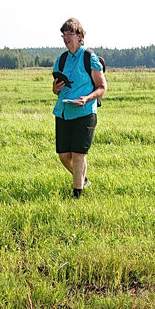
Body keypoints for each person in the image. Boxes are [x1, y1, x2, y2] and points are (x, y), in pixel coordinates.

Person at [51, 17, 106, 198]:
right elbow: (55, 89)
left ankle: (77, 193)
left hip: (84, 112)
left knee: (78, 153)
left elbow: (102, 87)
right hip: (64, 112)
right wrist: (55, 88)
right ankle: (83, 179)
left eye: (70, 34)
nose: (66, 38)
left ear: (80, 36)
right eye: (64, 34)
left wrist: (87, 98)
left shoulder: (89, 58)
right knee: (64, 156)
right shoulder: (61, 59)